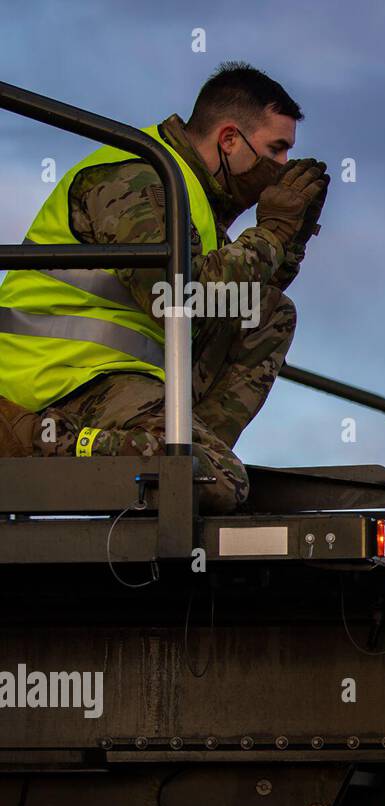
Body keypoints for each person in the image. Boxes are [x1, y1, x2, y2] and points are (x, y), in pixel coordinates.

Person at [0, 62, 328, 512]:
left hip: (126, 377)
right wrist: (270, 231)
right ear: (230, 139)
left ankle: (182, 453)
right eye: (276, 149)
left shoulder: (194, 195)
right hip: (61, 377)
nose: (282, 166)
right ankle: (34, 437)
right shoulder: (141, 177)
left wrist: (292, 236)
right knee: (217, 481)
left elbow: (235, 300)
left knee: (269, 313)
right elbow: (181, 299)